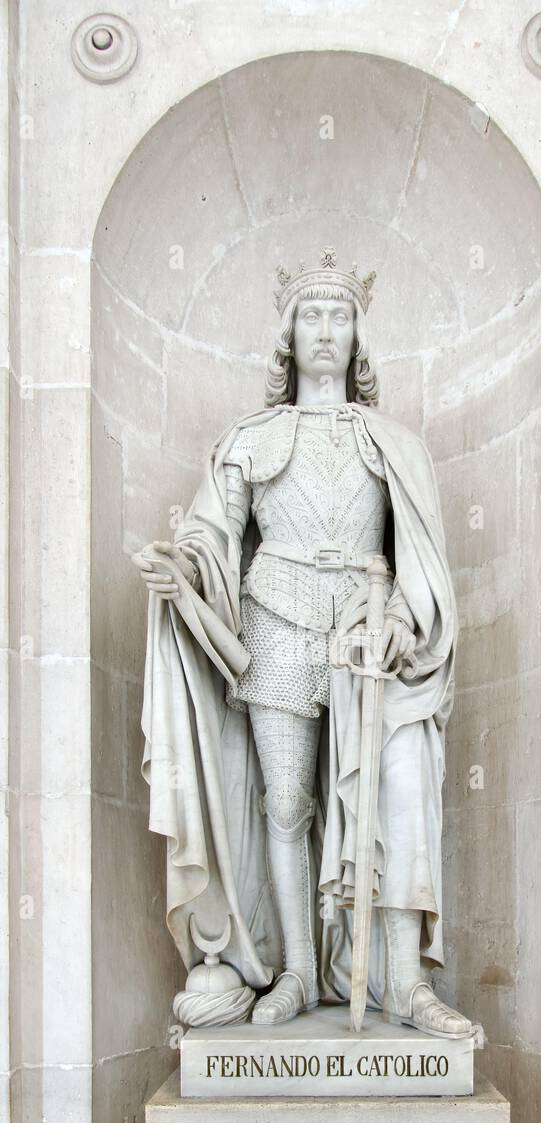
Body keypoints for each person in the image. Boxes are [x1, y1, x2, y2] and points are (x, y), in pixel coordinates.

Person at [133, 248, 471, 1037]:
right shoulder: (250, 436)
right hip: (276, 611)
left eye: (340, 314)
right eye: (311, 314)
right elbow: (214, 538)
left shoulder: (392, 442)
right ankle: (291, 973)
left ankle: (401, 983)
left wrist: (402, 619)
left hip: (368, 619)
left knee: (395, 795)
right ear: (289, 333)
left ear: (358, 335)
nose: (326, 329)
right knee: (285, 802)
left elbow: (421, 556)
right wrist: (180, 568)